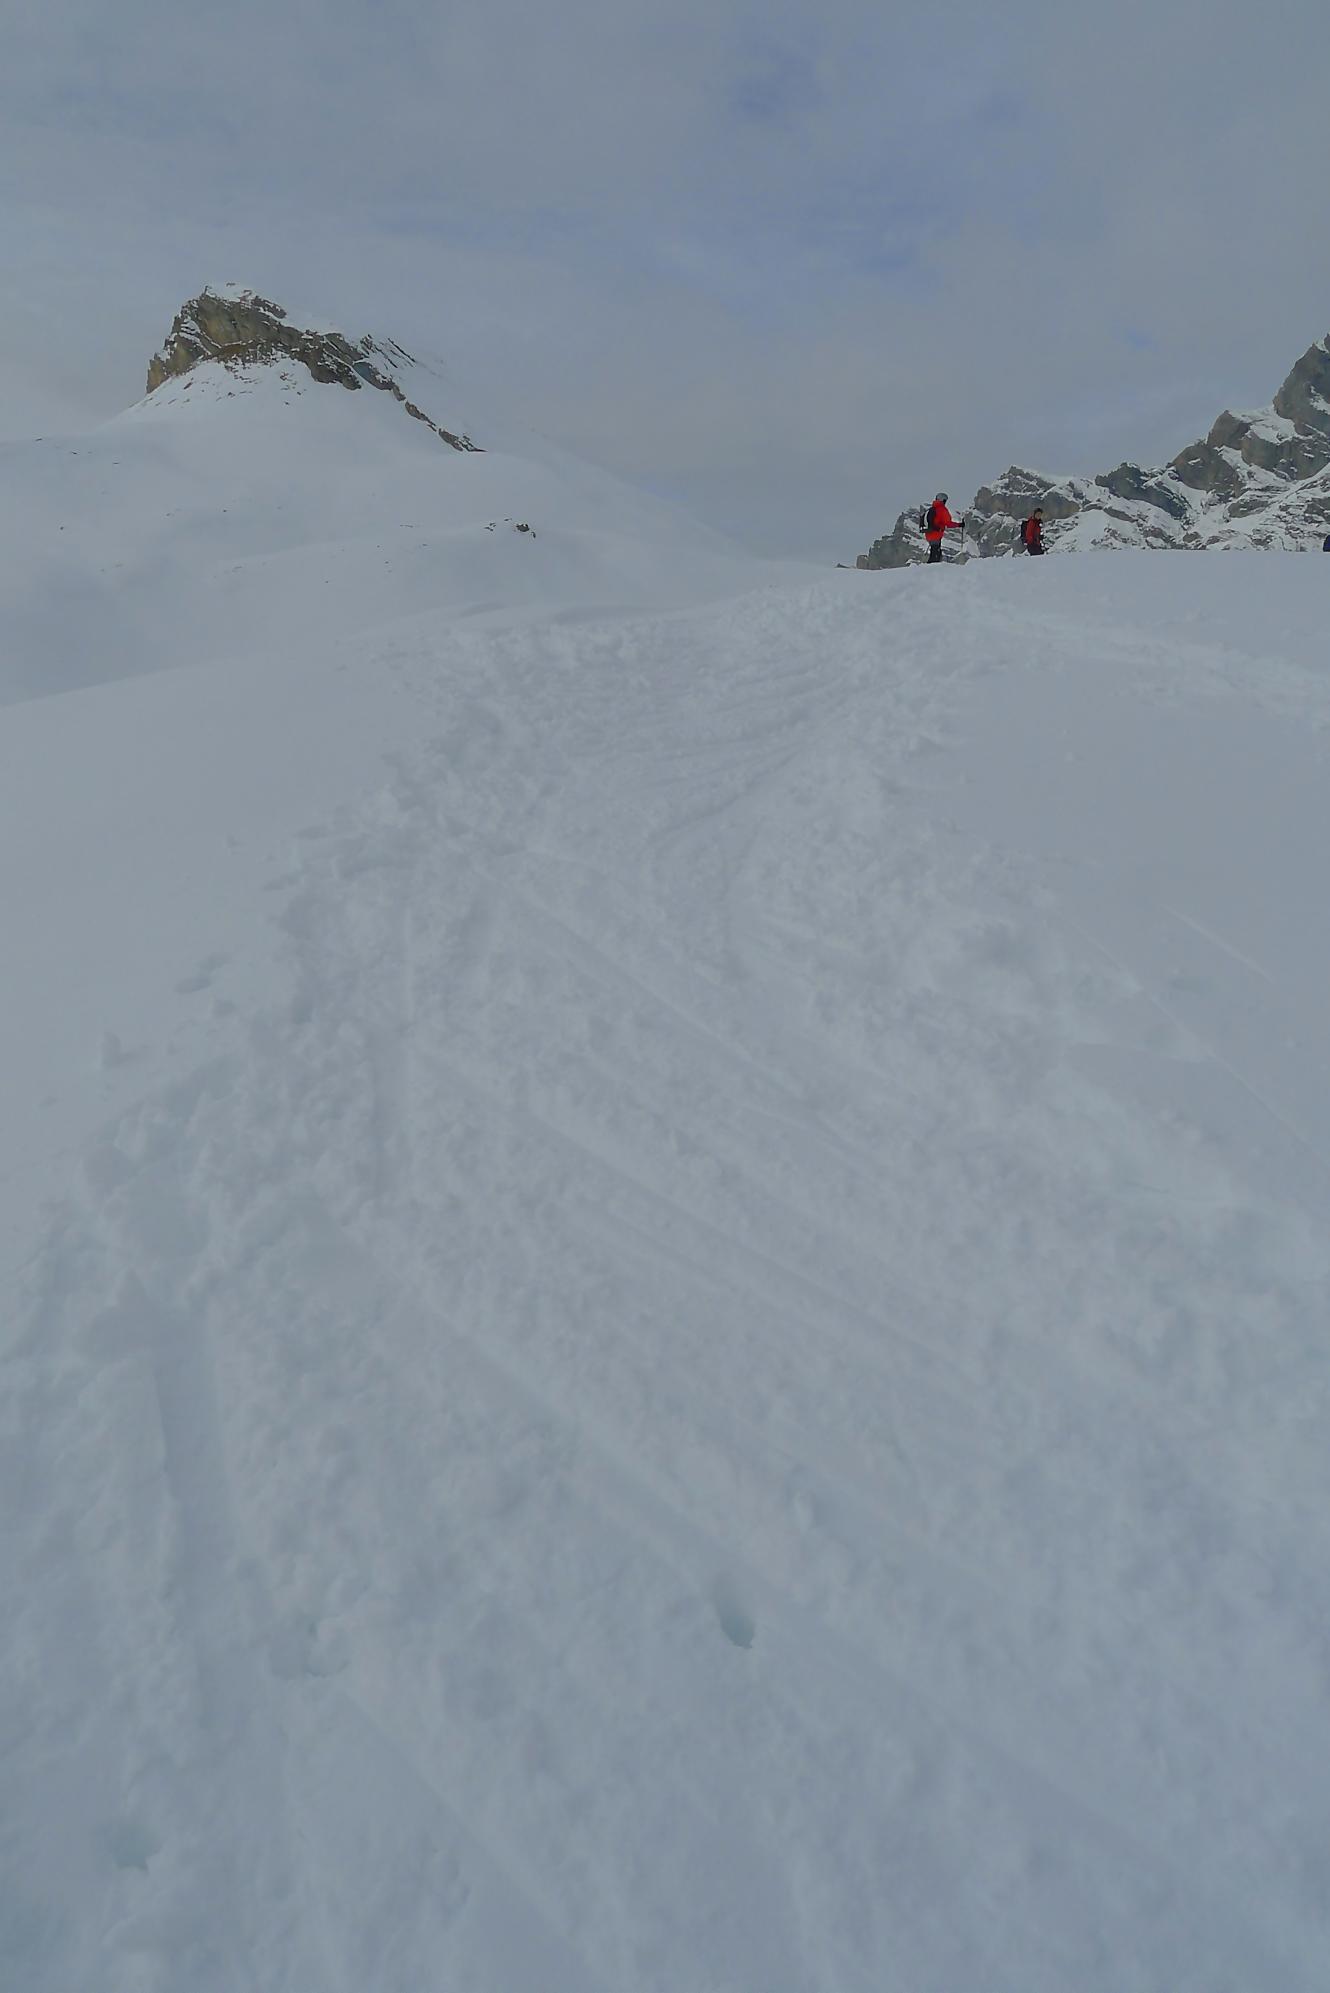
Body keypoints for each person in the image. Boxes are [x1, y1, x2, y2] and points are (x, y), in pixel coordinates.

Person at [923, 493, 963, 564]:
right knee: (935, 554)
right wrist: (959, 525)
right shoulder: (942, 509)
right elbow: (948, 523)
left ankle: (931, 568)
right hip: (936, 534)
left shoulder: (932, 509)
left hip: (928, 533)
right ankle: (930, 570)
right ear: (943, 500)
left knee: (935, 552)